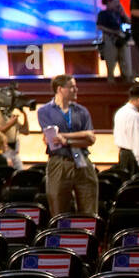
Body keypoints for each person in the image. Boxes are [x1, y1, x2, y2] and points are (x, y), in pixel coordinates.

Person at [35, 75, 98, 217]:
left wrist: (66, 139)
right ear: (60, 89)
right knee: (58, 210)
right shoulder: (45, 111)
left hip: (82, 160)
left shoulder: (82, 111)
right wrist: (80, 135)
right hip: (59, 162)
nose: (76, 89)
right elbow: (52, 139)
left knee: (89, 210)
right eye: (72, 87)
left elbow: (91, 138)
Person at [0, 88, 27, 172]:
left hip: (14, 151)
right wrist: (11, 123)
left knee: (20, 173)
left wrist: (25, 115)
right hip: (2, 151)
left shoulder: (9, 114)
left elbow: (25, 131)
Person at [112, 84, 139, 175]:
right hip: (132, 157)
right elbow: (136, 141)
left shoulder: (120, 112)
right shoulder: (134, 115)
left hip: (123, 155)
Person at [97, 0, 130, 81]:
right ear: (109, 2)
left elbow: (129, 21)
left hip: (120, 39)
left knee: (124, 60)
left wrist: (122, 12)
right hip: (109, 39)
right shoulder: (103, 14)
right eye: (115, 2)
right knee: (111, 61)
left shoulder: (117, 14)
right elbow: (99, 26)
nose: (117, 4)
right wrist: (113, 32)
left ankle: (126, 79)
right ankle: (111, 80)